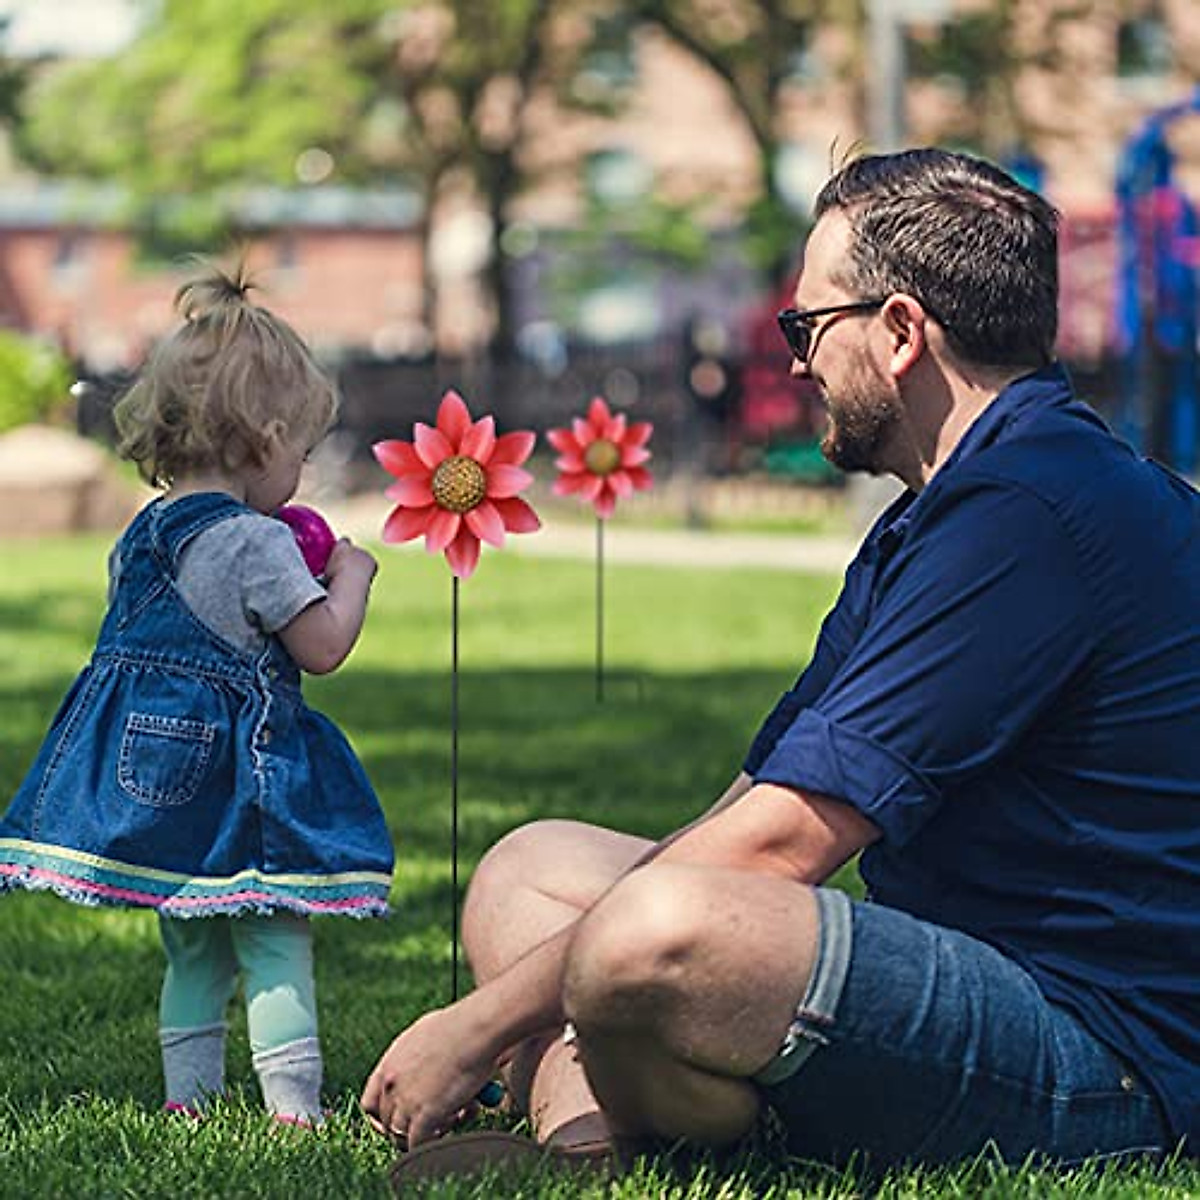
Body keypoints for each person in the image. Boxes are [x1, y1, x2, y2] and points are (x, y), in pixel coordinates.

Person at [362, 147, 1200, 1180]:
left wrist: (479, 1027)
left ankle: (661, 1118)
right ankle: (590, 1153)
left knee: (657, 928)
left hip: (1102, 1052)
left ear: (900, 332)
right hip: (967, 965)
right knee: (527, 875)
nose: (794, 360)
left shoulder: (1032, 513)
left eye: (806, 327)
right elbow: (748, 808)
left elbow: (783, 848)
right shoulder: (945, 514)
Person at [0, 264, 394, 1126]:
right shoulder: (257, 545)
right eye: (301, 453)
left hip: (156, 785)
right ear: (264, 439)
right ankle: (295, 1110)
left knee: (193, 952)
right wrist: (351, 576)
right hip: (236, 791)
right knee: (275, 937)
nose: (301, 471)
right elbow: (322, 648)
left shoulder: (139, 536)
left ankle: (191, 1103)